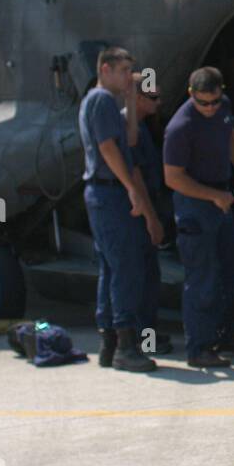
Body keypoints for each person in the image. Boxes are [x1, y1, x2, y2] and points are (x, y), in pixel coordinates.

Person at [80, 47, 165, 373]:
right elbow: (108, 147)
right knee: (126, 268)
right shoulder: (100, 100)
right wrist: (131, 189)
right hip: (110, 193)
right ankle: (126, 346)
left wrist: (130, 98)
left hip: (104, 194)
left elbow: (128, 139)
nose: (128, 75)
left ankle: (110, 343)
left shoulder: (106, 103)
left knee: (112, 268)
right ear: (105, 69)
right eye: (123, 70)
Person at [163, 66, 234, 369]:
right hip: (195, 204)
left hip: (221, 199)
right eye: (203, 103)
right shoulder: (180, 127)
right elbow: (173, 178)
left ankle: (224, 334)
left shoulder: (223, 109)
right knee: (202, 277)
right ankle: (198, 348)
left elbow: (231, 138)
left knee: (229, 272)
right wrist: (212, 196)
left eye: (215, 101)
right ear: (191, 95)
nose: (210, 108)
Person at [124, 72, 172, 356]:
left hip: (146, 207)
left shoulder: (142, 128)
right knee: (140, 279)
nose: (159, 102)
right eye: (154, 97)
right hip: (138, 213)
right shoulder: (132, 130)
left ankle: (147, 338)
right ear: (138, 99)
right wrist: (151, 218)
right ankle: (140, 339)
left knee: (149, 278)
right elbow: (136, 175)